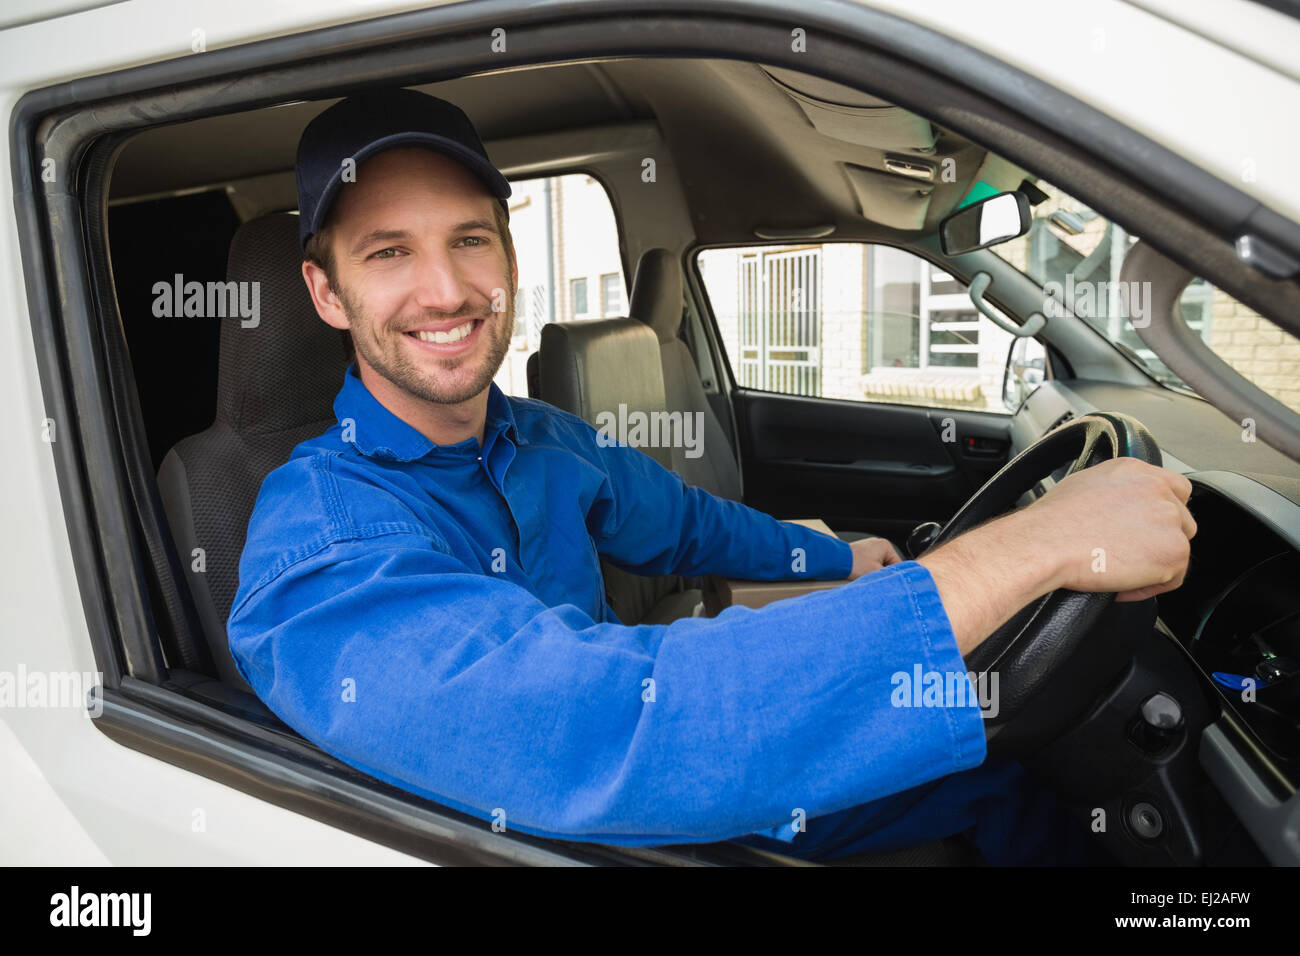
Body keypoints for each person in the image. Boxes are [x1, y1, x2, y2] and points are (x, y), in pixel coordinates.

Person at [226, 88, 1195, 861]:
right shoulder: (319, 547)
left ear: (506, 256)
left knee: (993, 759)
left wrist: (836, 558)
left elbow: (688, 525)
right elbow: (614, 727)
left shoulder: (539, 439)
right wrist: (1037, 543)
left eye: (469, 238)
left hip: (668, 788)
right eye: (388, 252)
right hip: (608, 823)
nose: (444, 289)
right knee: (990, 757)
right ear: (325, 290)